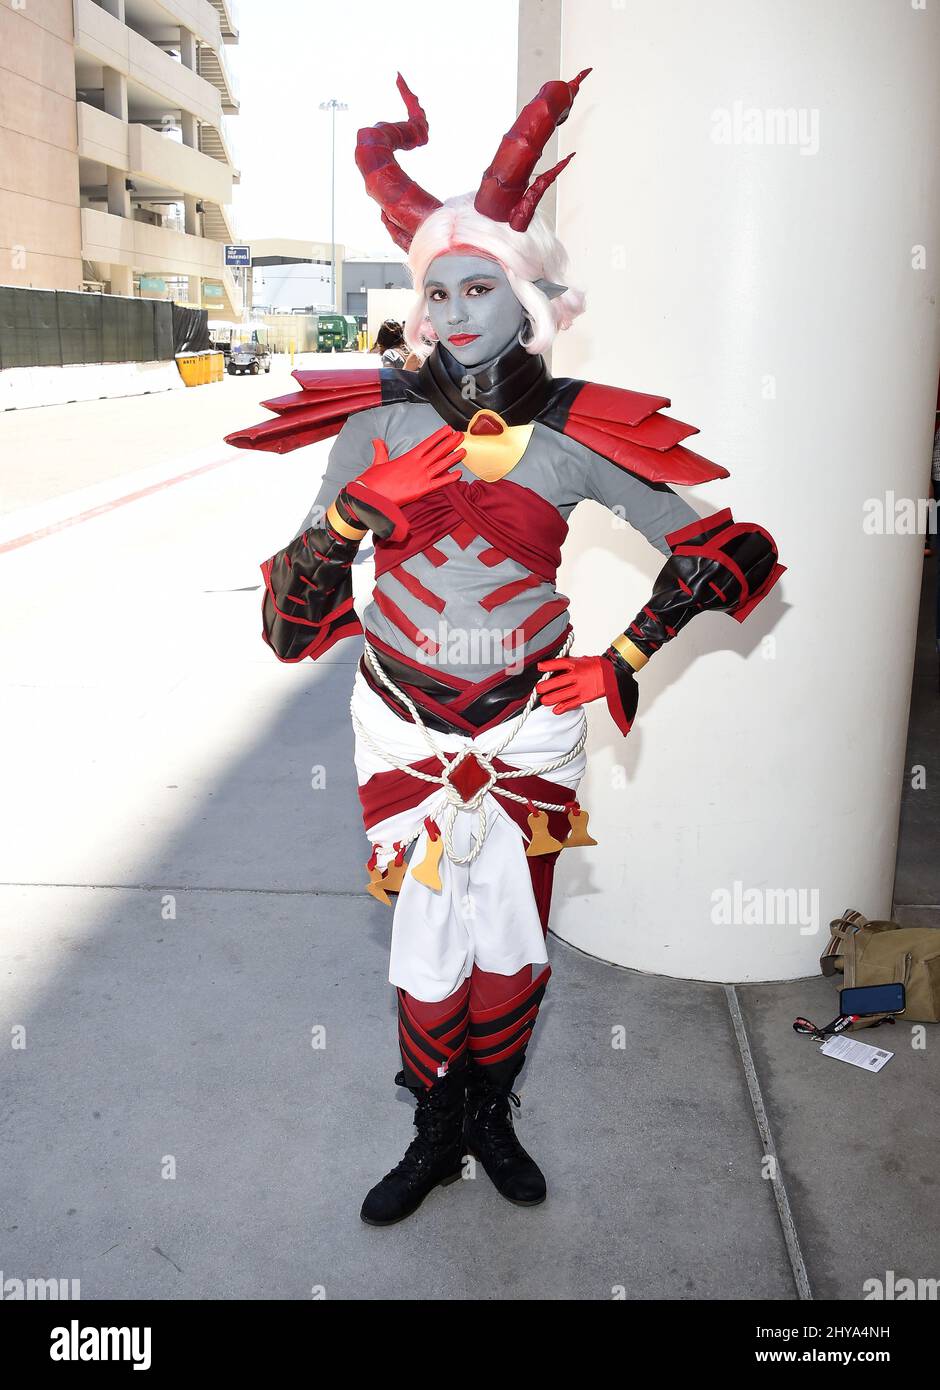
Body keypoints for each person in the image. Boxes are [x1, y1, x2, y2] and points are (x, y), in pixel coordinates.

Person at [226, 70, 784, 1226]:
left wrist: (623, 658)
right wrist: (351, 511)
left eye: (480, 285)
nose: (453, 309)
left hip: (530, 723)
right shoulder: (372, 421)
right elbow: (285, 620)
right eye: (437, 289)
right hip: (399, 719)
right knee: (427, 936)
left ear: (528, 300)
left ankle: (491, 1110)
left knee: (514, 936)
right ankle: (435, 1121)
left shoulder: (579, 426)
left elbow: (727, 548)